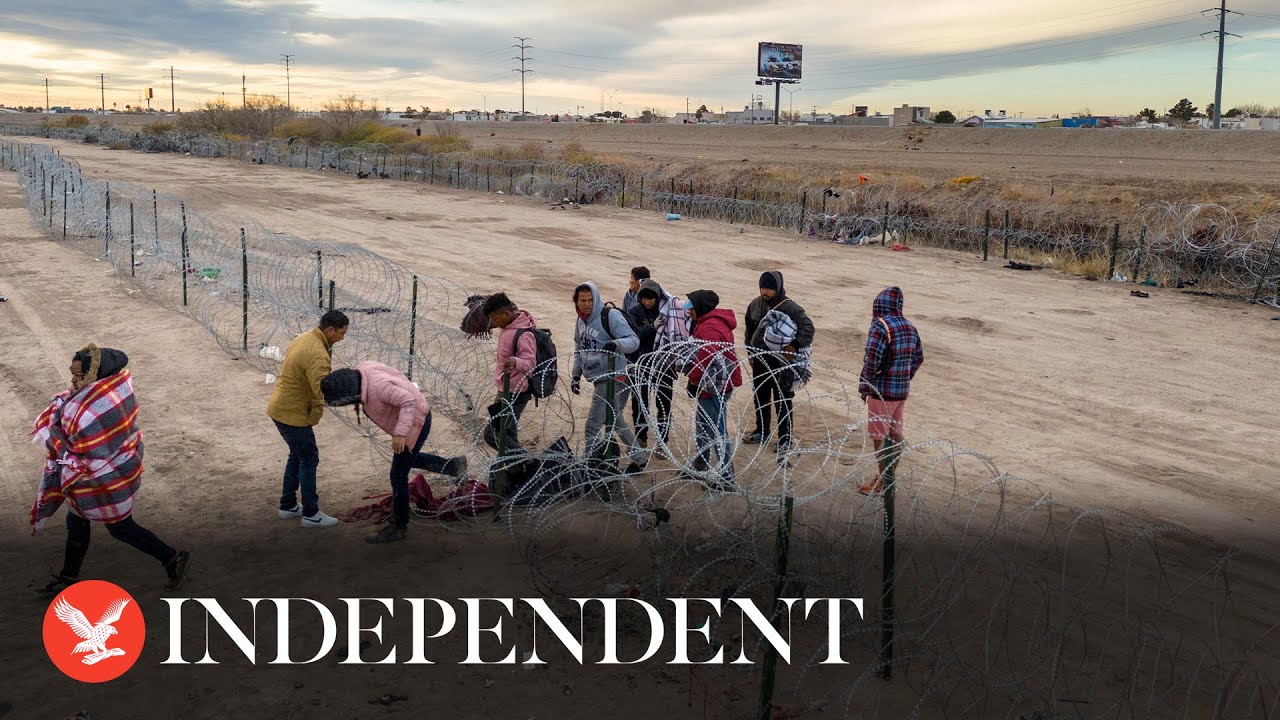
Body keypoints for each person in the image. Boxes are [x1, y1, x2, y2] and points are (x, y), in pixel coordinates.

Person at [31, 344, 190, 595]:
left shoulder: (98, 407)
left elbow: (82, 445)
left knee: (120, 527)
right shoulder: (108, 391)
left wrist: (57, 437)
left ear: (94, 375)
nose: (73, 380)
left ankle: (172, 557)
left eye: (79, 375)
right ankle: (68, 576)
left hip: (106, 477)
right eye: (73, 374)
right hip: (94, 475)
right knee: (76, 522)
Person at [320, 362, 468, 543]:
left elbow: (408, 401)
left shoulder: (379, 388)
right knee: (408, 460)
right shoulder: (364, 369)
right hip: (413, 416)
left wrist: (400, 433)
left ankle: (398, 526)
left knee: (398, 474)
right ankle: (453, 465)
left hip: (416, 421)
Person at [267, 310, 349, 528]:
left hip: (282, 407)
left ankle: (288, 505)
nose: (342, 338)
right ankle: (311, 513)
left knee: (297, 454)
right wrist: (317, 414)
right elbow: (321, 390)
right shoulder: (318, 353)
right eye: (341, 333)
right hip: (292, 413)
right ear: (330, 330)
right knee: (309, 458)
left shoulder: (304, 337)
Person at [571, 281, 646, 473]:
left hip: (614, 376)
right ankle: (639, 457)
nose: (587, 304)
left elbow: (633, 341)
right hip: (598, 376)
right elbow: (579, 348)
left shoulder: (610, 316)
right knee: (615, 418)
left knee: (592, 425)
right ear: (576, 302)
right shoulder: (580, 320)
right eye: (582, 300)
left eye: (590, 300)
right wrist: (576, 374)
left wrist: (616, 344)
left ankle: (589, 465)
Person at [857, 286, 924, 496]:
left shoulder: (881, 326)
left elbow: (872, 358)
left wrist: (865, 385)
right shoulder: (910, 326)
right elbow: (919, 357)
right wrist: (904, 376)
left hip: (881, 392)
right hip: (901, 392)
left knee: (879, 436)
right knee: (895, 434)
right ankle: (888, 477)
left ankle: (884, 481)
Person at [744, 271, 815, 458]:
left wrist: (794, 346)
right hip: (760, 359)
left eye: (769, 288)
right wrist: (750, 352)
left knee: (782, 400)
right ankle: (762, 431)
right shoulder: (755, 305)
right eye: (762, 288)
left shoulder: (791, 308)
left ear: (778, 288)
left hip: (781, 363)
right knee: (760, 397)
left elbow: (808, 328)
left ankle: (785, 438)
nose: (764, 292)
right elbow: (749, 330)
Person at [684, 290, 742, 491]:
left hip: (715, 385)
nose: (689, 312)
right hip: (711, 383)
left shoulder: (710, 327)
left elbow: (706, 357)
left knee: (716, 430)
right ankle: (701, 463)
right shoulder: (706, 322)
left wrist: (693, 380)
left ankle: (726, 477)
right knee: (703, 425)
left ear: (701, 308)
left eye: (692, 308)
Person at [626, 278, 690, 446]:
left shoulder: (667, 309)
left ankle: (663, 440)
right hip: (641, 362)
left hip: (664, 365)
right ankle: (641, 437)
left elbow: (680, 322)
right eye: (644, 299)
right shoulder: (634, 312)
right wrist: (652, 327)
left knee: (663, 403)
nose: (648, 302)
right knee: (640, 403)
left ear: (657, 297)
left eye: (651, 299)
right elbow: (633, 336)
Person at [481, 293, 538, 452]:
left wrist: (514, 362)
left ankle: (525, 461)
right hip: (505, 389)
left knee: (493, 434)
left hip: (516, 392)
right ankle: (514, 464)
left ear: (506, 314)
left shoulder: (523, 334)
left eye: (495, 318)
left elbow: (530, 362)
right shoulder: (507, 326)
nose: (494, 323)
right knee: (508, 434)